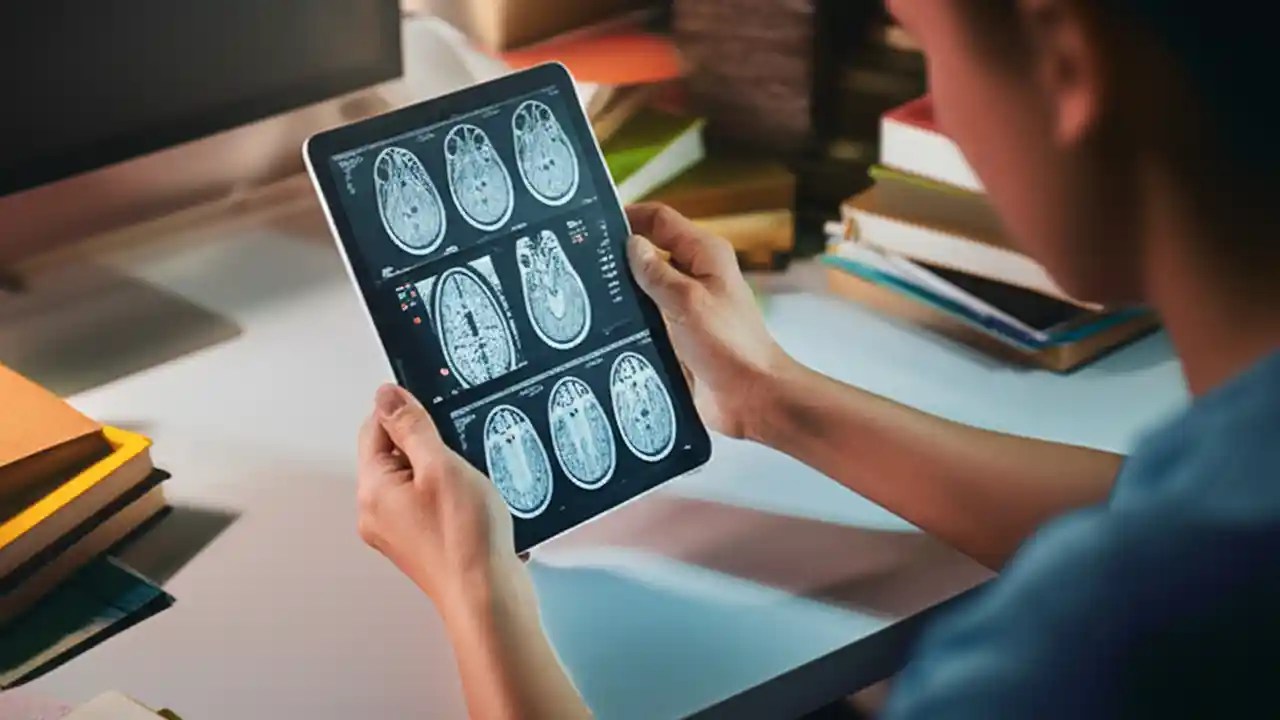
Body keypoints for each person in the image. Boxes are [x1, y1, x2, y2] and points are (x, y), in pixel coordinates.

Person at [354, 0, 1280, 716]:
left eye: (925, 48)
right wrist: (769, 396)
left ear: (1068, 68)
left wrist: (475, 585)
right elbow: (1142, 506)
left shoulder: (1080, 664)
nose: (941, 107)